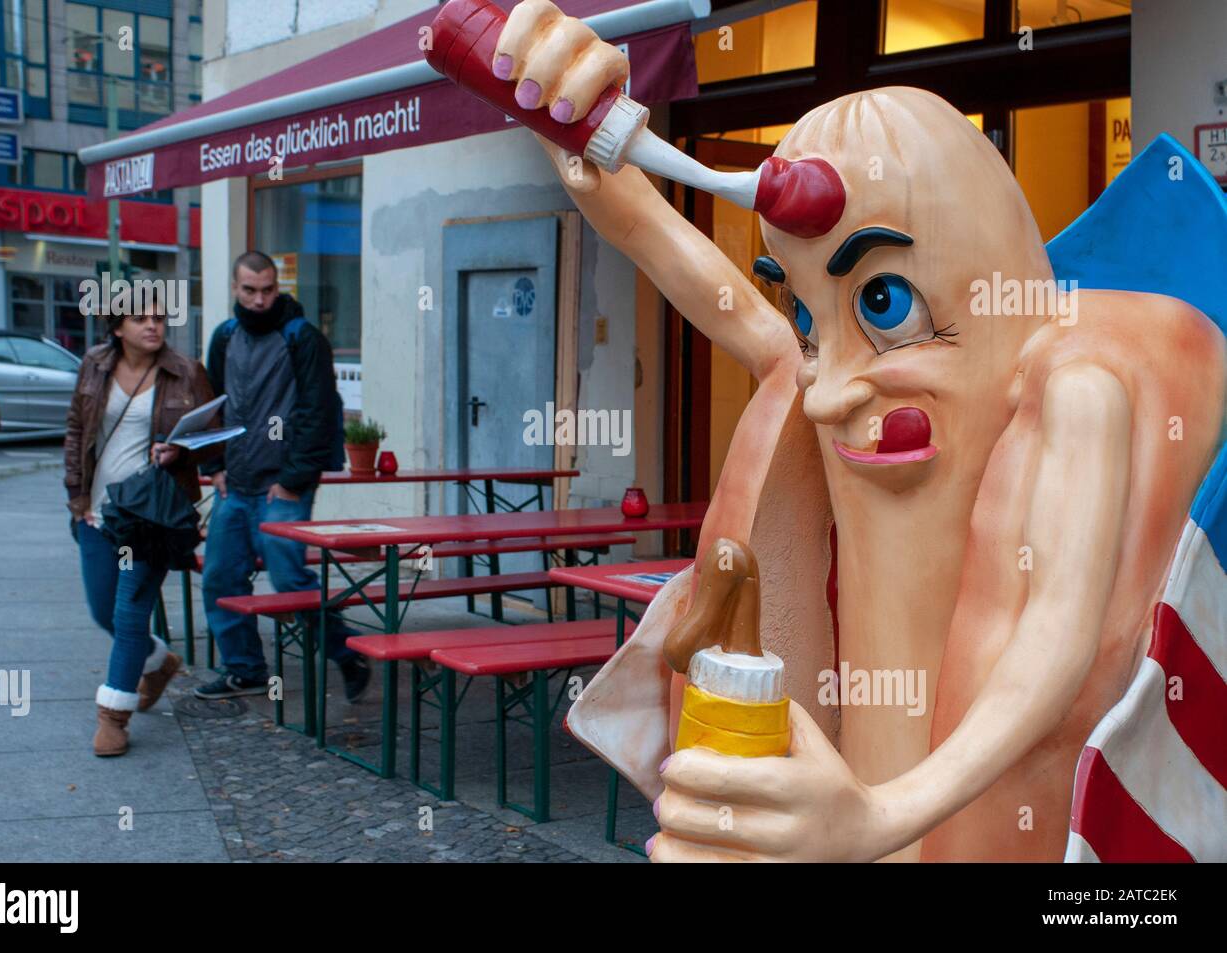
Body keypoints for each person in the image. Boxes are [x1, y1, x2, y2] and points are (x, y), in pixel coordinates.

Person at [494, 1, 1226, 861]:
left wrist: (877, 816)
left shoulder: (1084, 394)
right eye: (806, 312)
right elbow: (700, 281)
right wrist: (577, 144)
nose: (824, 392)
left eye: (884, 301)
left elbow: (1055, 645)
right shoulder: (823, 380)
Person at [194, 251, 370, 701]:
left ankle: (347, 653)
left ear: (278, 286)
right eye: (249, 290)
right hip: (235, 483)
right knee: (219, 576)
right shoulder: (224, 337)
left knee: (289, 578)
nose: (258, 299)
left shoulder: (302, 337)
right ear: (235, 288)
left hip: (283, 485)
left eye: (267, 290)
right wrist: (213, 468)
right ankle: (246, 670)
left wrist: (292, 478)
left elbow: (318, 411)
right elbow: (209, 407)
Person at [65, 304, 216, 756]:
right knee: (102, 612)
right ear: (116, 328)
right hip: (96, 512)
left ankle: (113, 717)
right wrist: (76, 498)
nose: (153, 326)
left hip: (149, 516)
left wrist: (180, 453)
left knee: (130, 615)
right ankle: (159, 661)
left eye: (159, 318)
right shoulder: (94, 365)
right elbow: (76, 430)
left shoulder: (186, 372)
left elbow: (214, 439)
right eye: (140, 319)